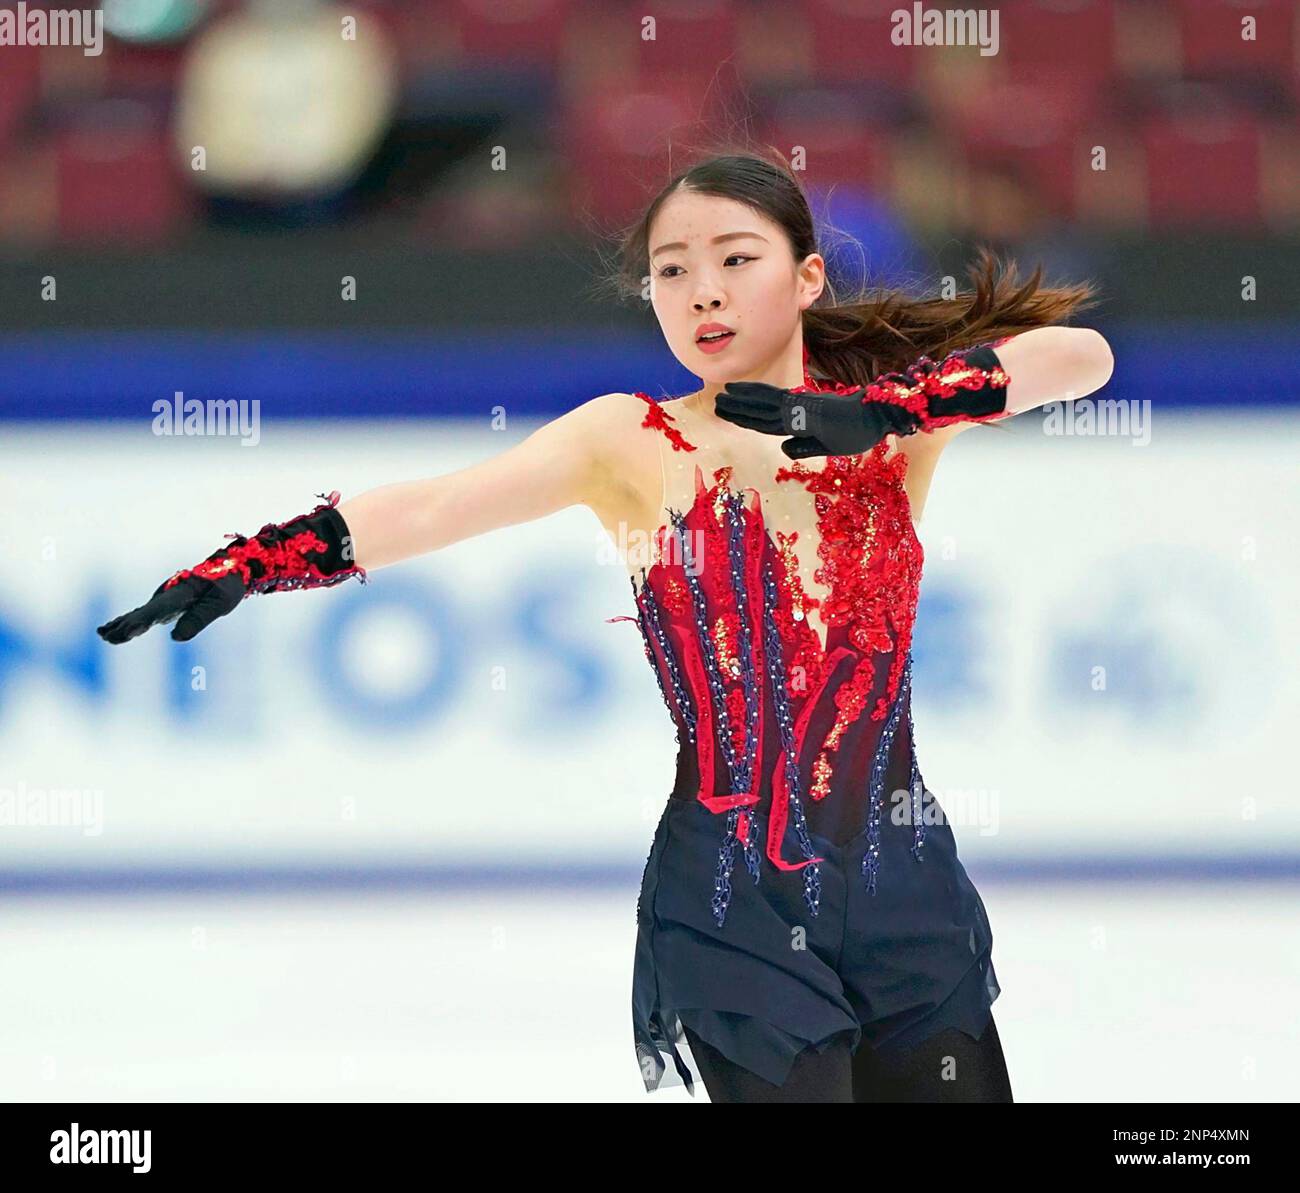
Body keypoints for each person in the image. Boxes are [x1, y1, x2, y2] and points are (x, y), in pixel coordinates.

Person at [97, 148, 1113, 1103]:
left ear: (806, 277)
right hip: (729, 898)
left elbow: (1082, 355)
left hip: (902, 883)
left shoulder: (900, 422)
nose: (702, 290)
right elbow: (436, 505)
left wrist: (885, 410)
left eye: (734, 258)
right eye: (671, 271)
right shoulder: (630, 436)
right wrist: (255, 559)